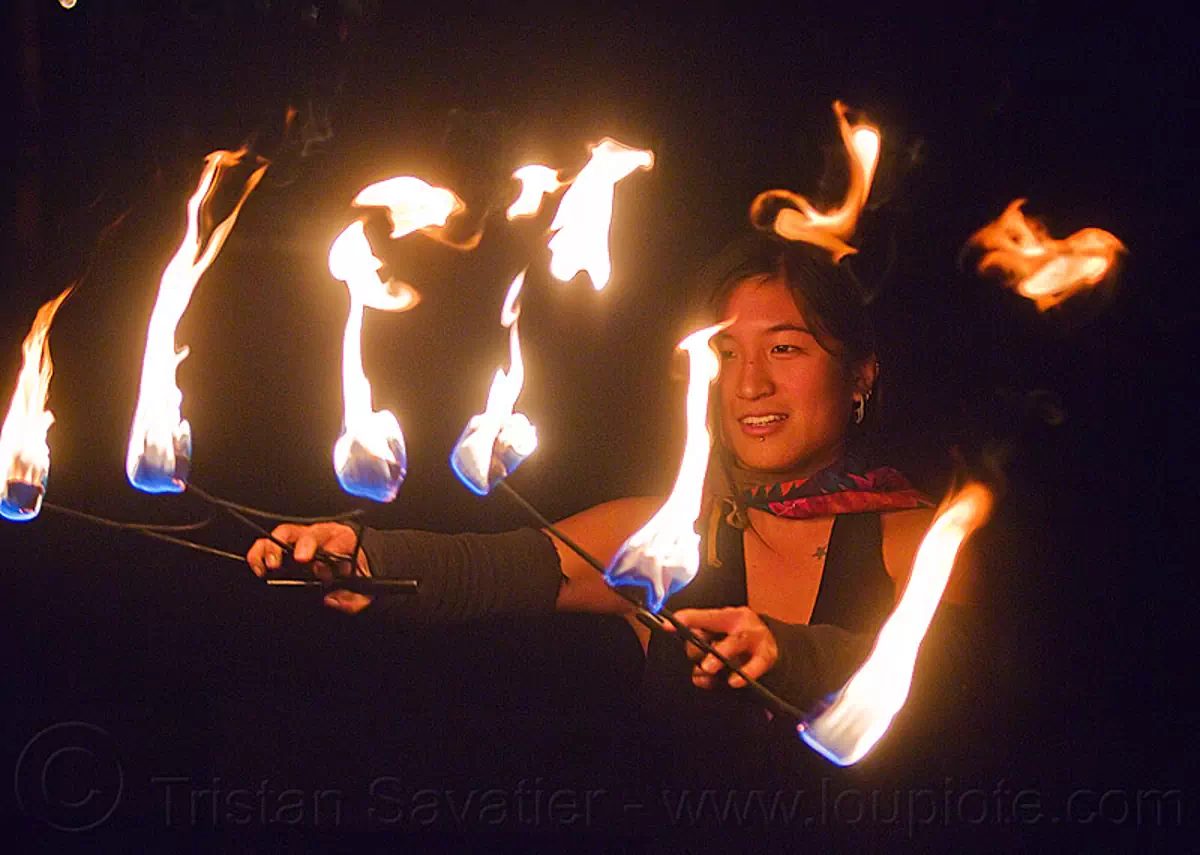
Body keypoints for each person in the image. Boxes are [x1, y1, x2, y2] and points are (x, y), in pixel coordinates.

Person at [246, 232, 974, 777]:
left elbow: (949, 690)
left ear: (860, 376)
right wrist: (361, 555)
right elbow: (494, 566)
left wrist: (790, 655)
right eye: (724, 354)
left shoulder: (924, 539)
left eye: (785, 350)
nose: (749, 383)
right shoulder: (660, 535)